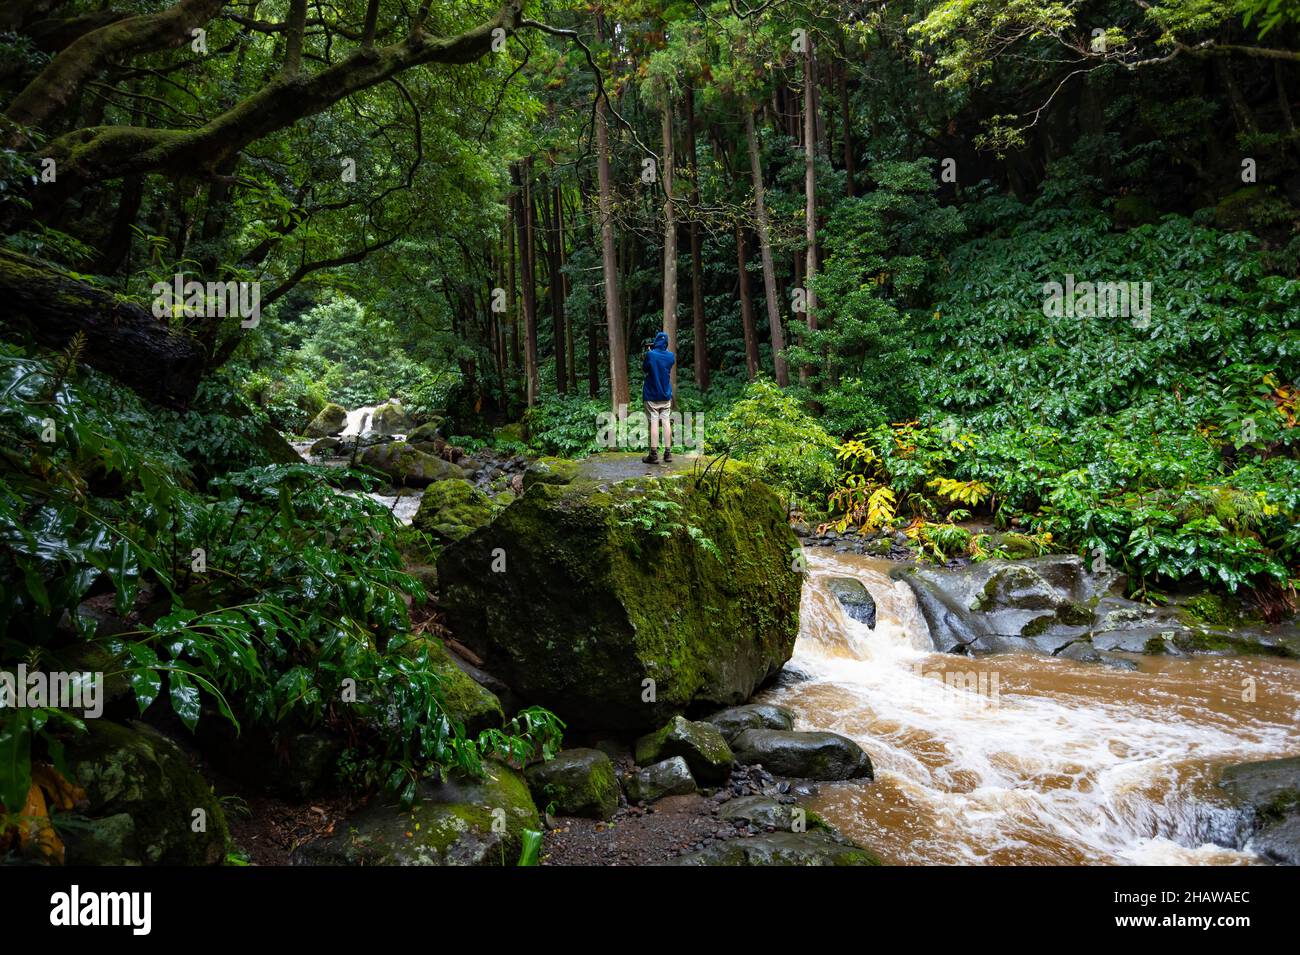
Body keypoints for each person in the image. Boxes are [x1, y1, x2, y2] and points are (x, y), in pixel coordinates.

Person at [641, 330, 675, 464]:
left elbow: (645, 368)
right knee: (666, 421)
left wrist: (650, 351)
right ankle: (668, 454)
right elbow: (664, 364)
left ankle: (653, 454)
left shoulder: (651, 354)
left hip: (651, 394)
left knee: (654, 422)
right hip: (665, 395)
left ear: (655, 342)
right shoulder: (671, 356)